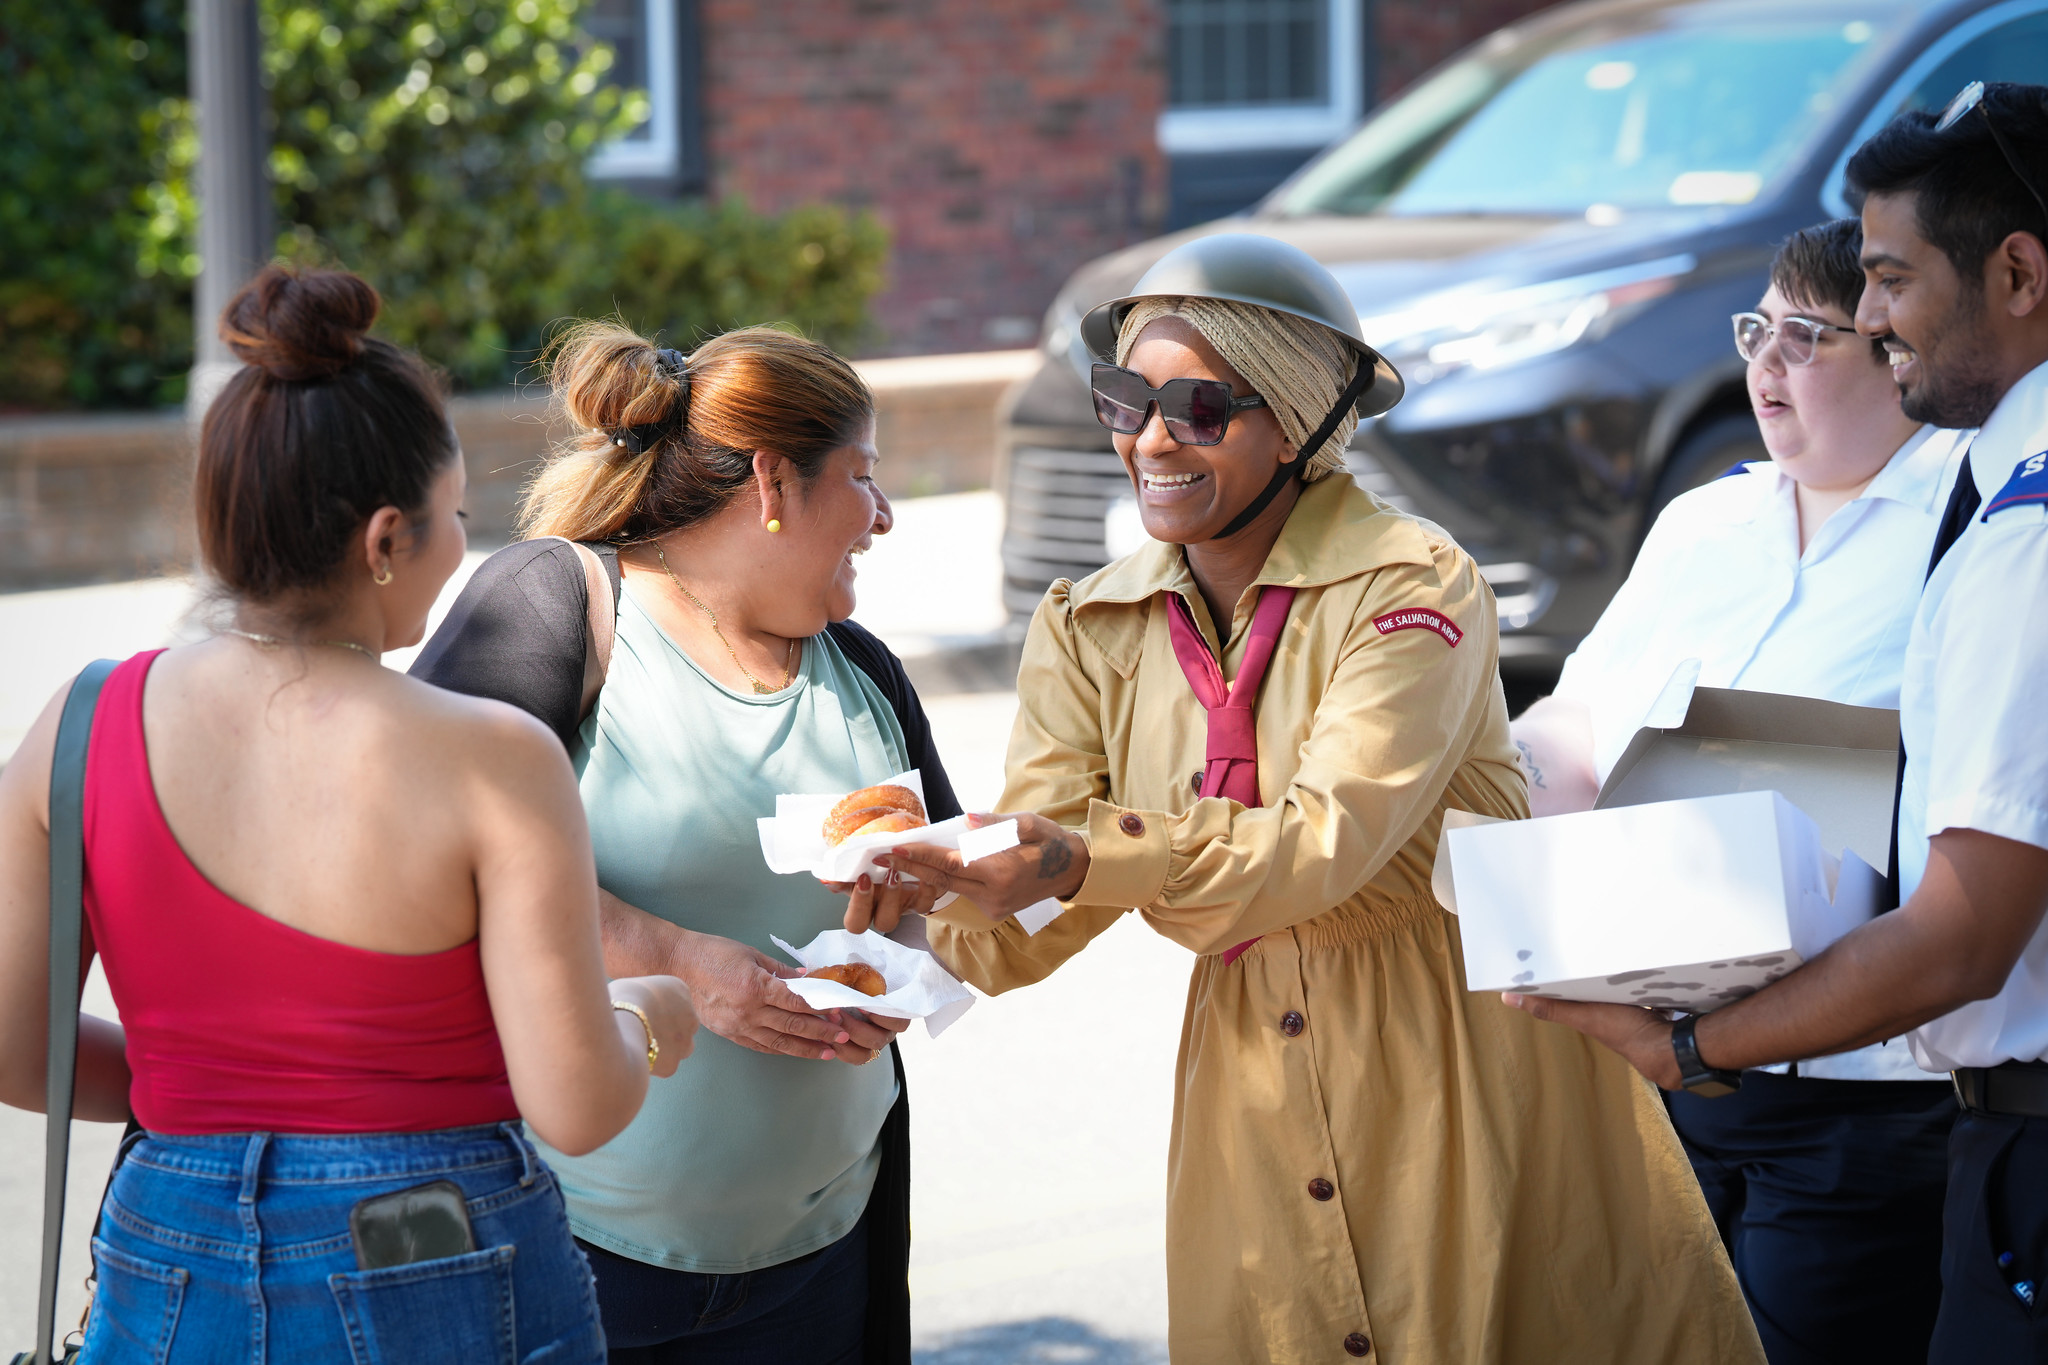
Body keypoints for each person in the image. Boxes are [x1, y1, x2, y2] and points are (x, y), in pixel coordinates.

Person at [882, 233, 1762, 1365]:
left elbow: (1319, 844)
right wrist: (894, 943)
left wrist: (1070, 860)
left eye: (1197, 409)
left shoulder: (1413, 585)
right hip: (1246, 1074)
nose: (1149, 439)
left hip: (1463, 1059)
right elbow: (1040, 899)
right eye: (1123, 400)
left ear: (1296, 418)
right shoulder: (1088, 623)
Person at [0, 266, 696, 1362]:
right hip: (430, 1242)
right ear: (384, 539)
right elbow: (575, 1106)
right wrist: (648, 1012)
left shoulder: (75, 726)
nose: (462, 541)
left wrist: (218, 1089)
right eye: (455, 514)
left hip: (168, 1239)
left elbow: (13, 1045)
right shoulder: (491, 757)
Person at [1504, 82, 2048, 1364]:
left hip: (1886, 1099)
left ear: (2016, 273)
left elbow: (1966, 930)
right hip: (1716, 1075)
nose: (1863, 320)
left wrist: (1689, 1041)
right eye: (1773, 325)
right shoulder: (1713, 518)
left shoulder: (1993, 527)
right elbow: (1576, 717)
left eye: (1879, 288)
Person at [409, 321, 951, 1365]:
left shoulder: (866, 672)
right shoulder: (556, 606)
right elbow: (417, 856)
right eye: (861, 477)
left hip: (827, 1256)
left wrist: (901, 972)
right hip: (580, 1256)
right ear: (772, 483)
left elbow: (931, 903)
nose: (882, 516)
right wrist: (678, 963)